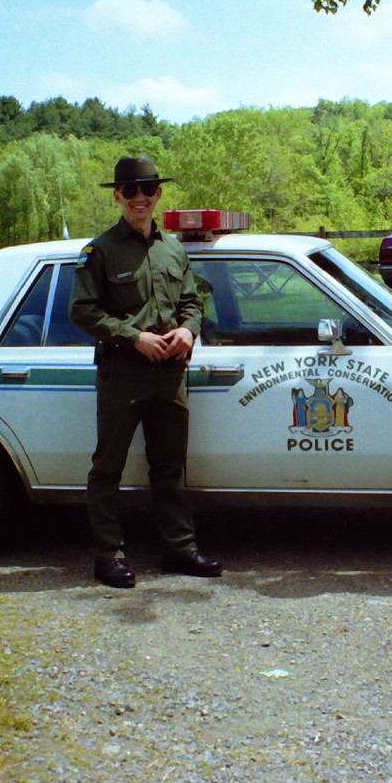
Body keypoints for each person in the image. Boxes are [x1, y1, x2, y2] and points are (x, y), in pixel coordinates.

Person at [70, 154, 222, 589]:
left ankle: (179, 549)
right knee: (108, 468)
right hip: (124, 372)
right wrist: (133, 337)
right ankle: (108, 557)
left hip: (171, 372)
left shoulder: (174, 248)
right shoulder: (99, 251)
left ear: (160, 194)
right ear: (117, 195)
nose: (141, 198)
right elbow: (82, 311)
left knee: (170, 465)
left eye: (149, 189)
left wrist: (189, 331)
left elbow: (193, 302)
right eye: (131, 191)